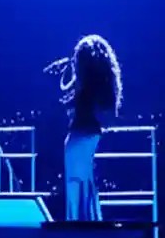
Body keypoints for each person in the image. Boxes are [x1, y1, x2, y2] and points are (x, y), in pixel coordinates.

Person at [43, 34, 123, 221]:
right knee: (86, 185)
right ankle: (89, 222)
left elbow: (64, 98)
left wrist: (62, 73)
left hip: (79, 139)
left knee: (77, 186)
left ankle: (80, 222)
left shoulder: (85, 87)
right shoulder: (103, 86)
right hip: (88, 139)